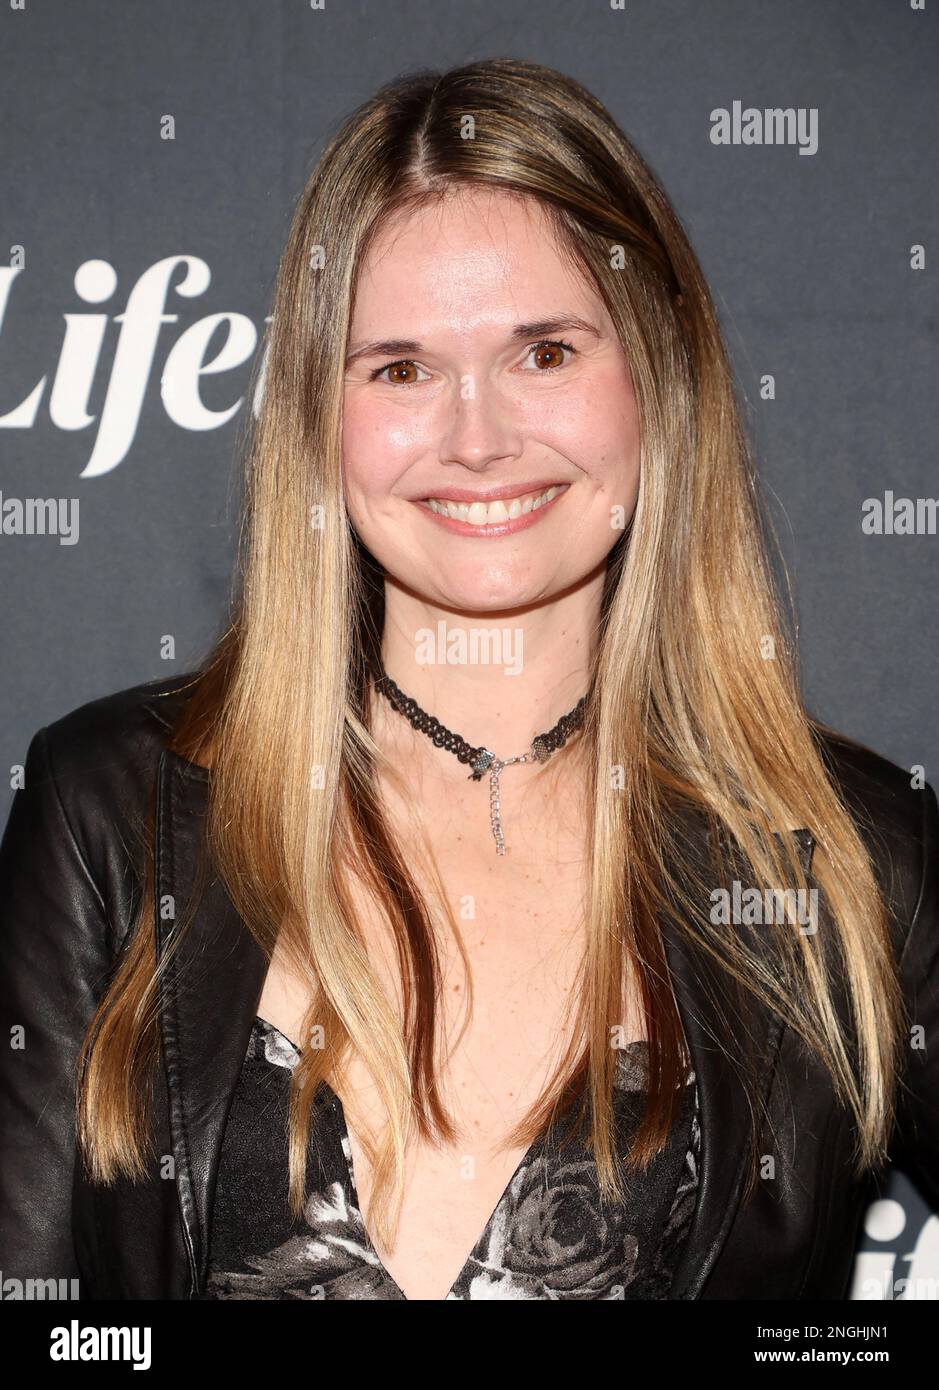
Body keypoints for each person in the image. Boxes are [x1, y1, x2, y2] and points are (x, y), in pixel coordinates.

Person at [0, 57, 936, 1303]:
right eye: (399, 368)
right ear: (315, 421)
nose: (478, 434)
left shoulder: (848, 859)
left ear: (656, 378)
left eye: (544, 352)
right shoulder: (111, 809)